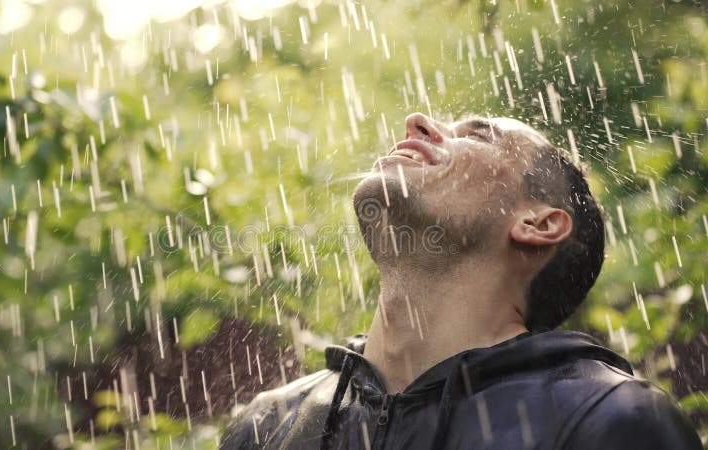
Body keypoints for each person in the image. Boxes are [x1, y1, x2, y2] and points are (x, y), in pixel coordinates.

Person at [218, 113, 703, 449]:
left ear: (538, 224)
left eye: (478, 135)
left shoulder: (611, 420)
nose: (417, 123)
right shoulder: (268, 427)